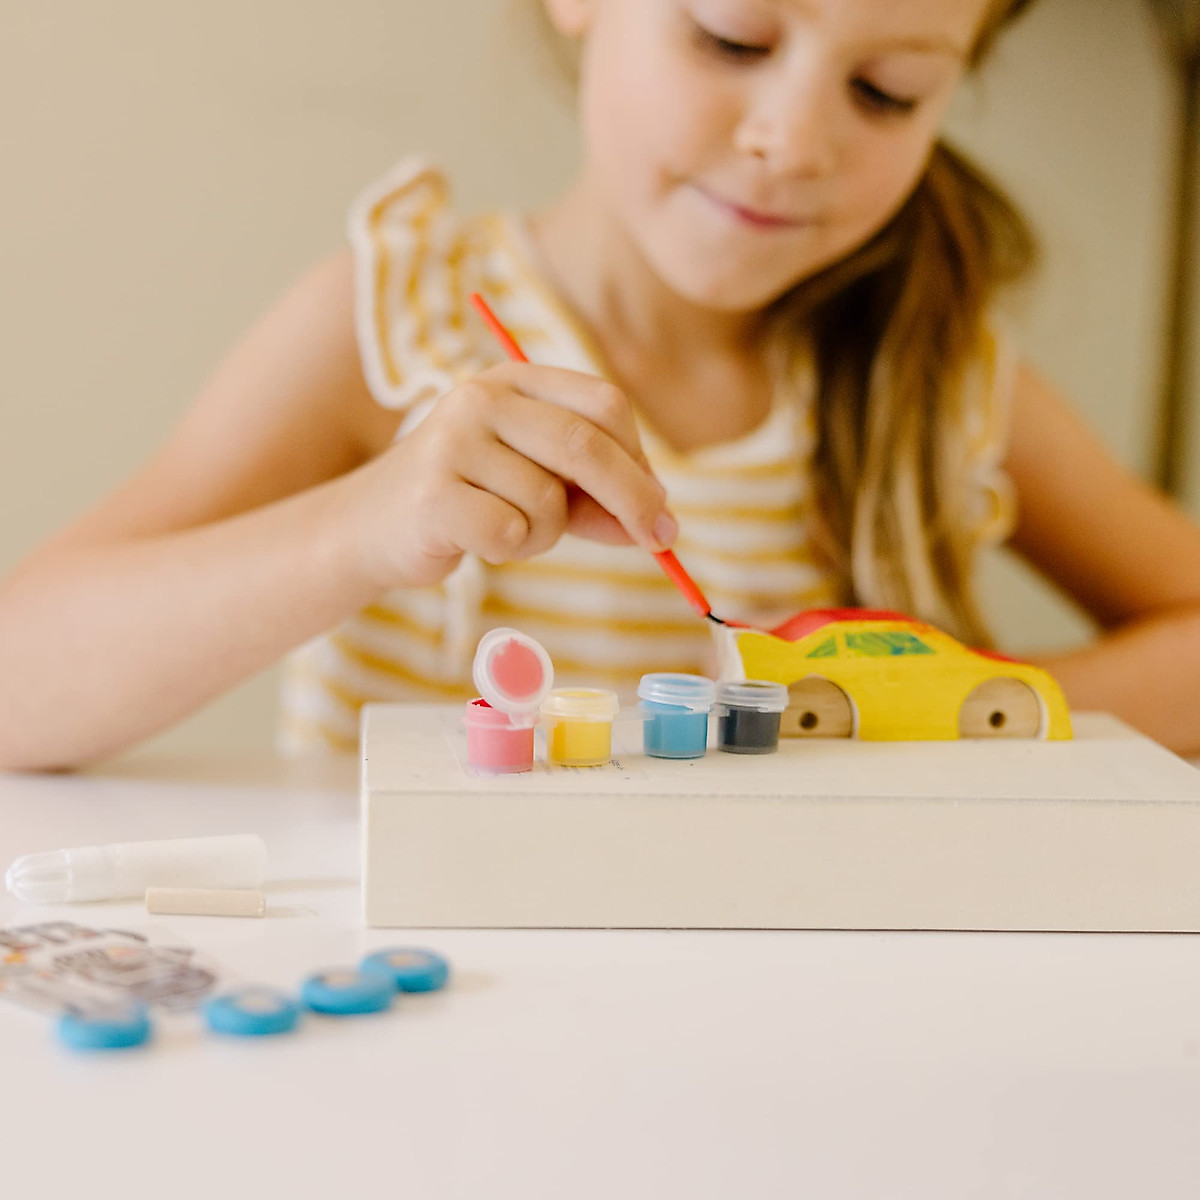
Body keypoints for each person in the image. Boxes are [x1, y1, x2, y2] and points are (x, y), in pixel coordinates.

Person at [3, 0, 1199, 770]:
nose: (794, 139)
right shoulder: (393, 325)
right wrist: (362, 527)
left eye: (885, 89)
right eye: (733, 38)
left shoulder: (945, 386)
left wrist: (944, 716)